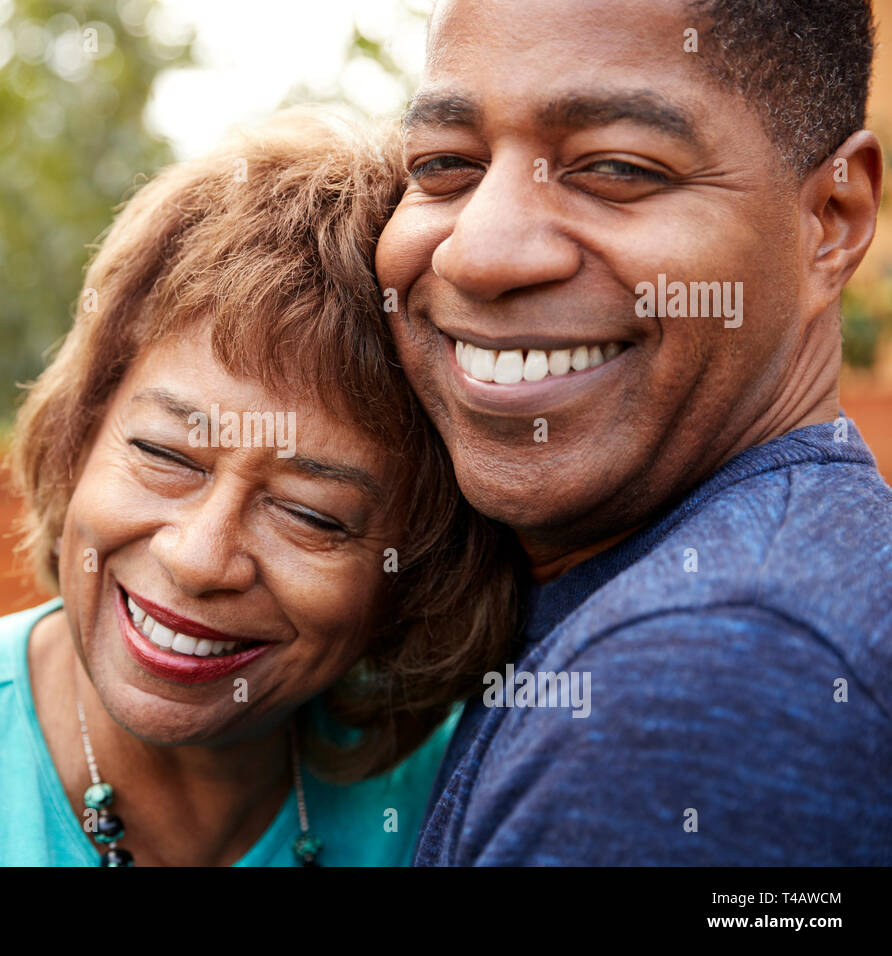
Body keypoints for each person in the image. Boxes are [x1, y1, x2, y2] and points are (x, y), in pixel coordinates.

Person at [0, 107, 522, 867]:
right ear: (79, 434)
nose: (198, 558)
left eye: (309, 513)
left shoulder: (461, 788)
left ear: (418, 570)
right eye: (165, 454)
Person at [377, 0, 892, 864]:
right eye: (444, 165)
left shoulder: (705, 683)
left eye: (614, 167)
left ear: (830, 221)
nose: (479, 251)